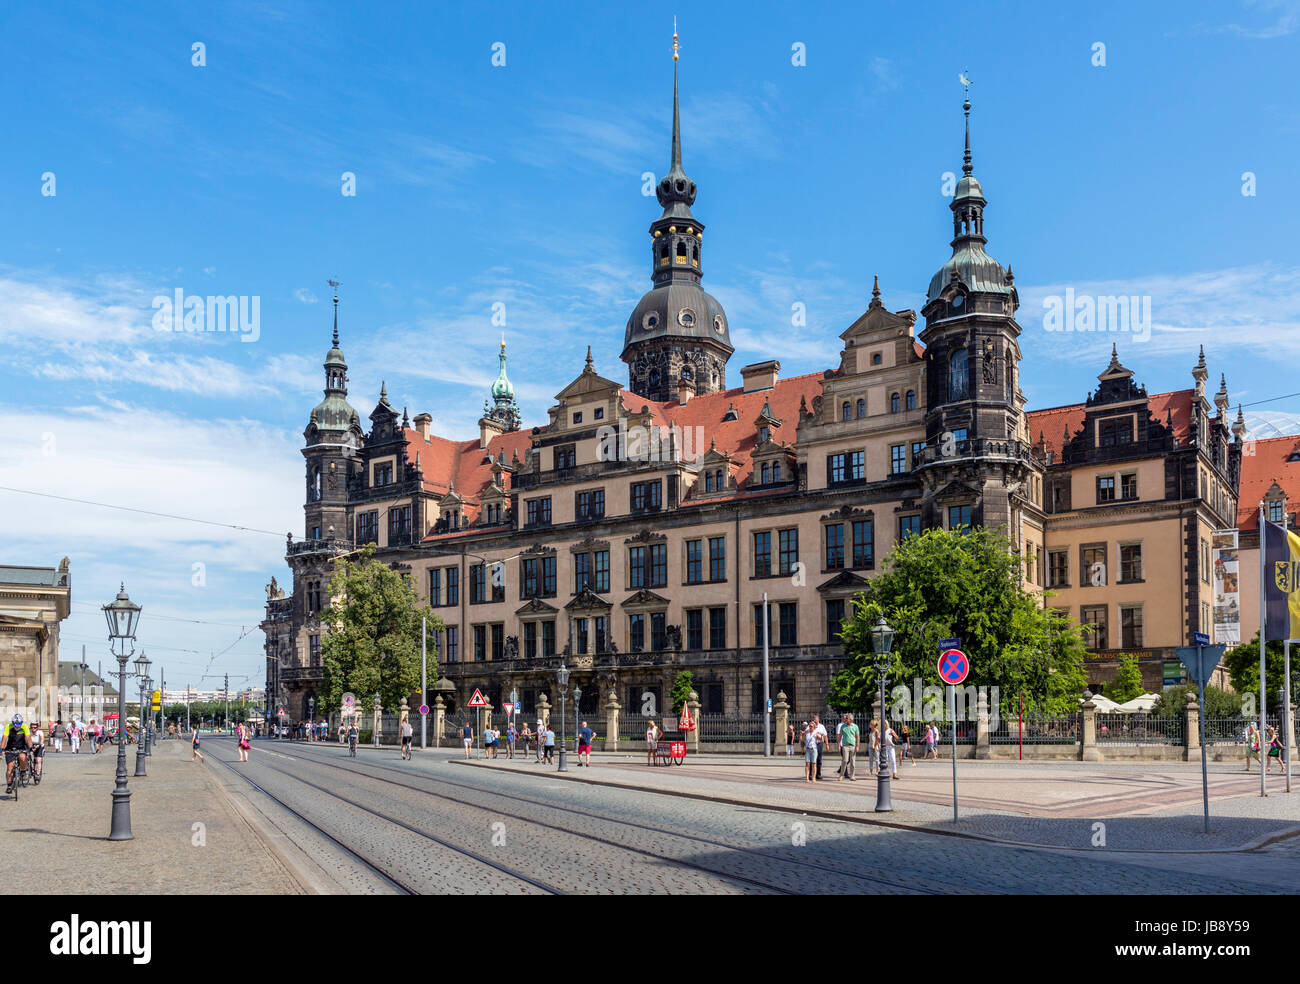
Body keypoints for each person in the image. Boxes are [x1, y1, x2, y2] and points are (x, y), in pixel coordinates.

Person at [3, 715, 31, 792]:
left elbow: (28, 738)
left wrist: (30, 747)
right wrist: (1, 748)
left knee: (22, 757)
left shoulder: (24, 727)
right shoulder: (8, 727)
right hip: (10, 748)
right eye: (16, 726)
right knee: (9, 767)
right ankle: (9, 785)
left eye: (19, 726)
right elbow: (4, 738)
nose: (17, 727)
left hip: (21, 747)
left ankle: (23, 770)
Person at [838, 713, 859, 781]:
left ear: (850, 719)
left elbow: (857, 737)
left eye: (847, 718)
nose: (846, 719)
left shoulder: (855, 726)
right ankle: (841, 775)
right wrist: (838, 744)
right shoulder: (843, 726)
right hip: (845, 746)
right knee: (845, 760)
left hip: (853, 746)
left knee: (853, 762)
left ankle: (852, 776)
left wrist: (858, 745)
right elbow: (840, 736)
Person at [811, 715, 827, 780]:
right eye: (814, 719)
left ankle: (818, 774)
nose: (814, 720)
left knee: (819, 759)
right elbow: (806, 733)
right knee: (812, 760)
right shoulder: (811, 726)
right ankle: (811, 774)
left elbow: (825, 735)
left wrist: (827, 744)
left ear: (818, 720)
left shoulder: (821, 726)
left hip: (819, 744)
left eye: (816, 719)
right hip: (812, 744)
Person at [29, 720, 45, 784]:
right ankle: (29, 769)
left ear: (37, 728)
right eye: (32, 727)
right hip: (31, 746)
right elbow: (26, 740)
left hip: (39, 746)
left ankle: (37, 774)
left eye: (35, 727)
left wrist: (39, 745)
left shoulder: (40, 732)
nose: (33, 729)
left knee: (38, 760)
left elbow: (42, 739)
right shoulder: (29, 732)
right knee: (29, 756)